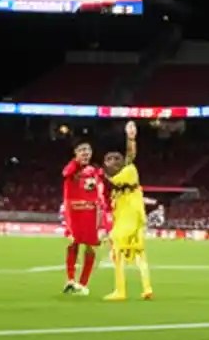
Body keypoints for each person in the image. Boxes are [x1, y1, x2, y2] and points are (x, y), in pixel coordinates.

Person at [102, 121, 153, 301]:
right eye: (109, 159)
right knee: (139, 253)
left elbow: (130, 155)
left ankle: (120, 291)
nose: (113, 162)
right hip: (136, 219)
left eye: (116, 159)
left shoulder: (128, 170)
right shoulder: (123, 178)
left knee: (116, 250)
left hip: (129, 219)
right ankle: (147, 288)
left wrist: (131, 139)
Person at [61, 140, 104, 296]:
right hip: (74, 213)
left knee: (90, 246)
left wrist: (102, 217)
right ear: (76, 154)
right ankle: (70, 279)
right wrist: (76, 163)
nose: (86, 153)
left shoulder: (94, 171)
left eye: (88, 151)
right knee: (73, 243)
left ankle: (83, 283)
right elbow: (65, 174)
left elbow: (98, 193)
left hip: (90, 213)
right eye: (82, 151)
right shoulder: (71, 168)